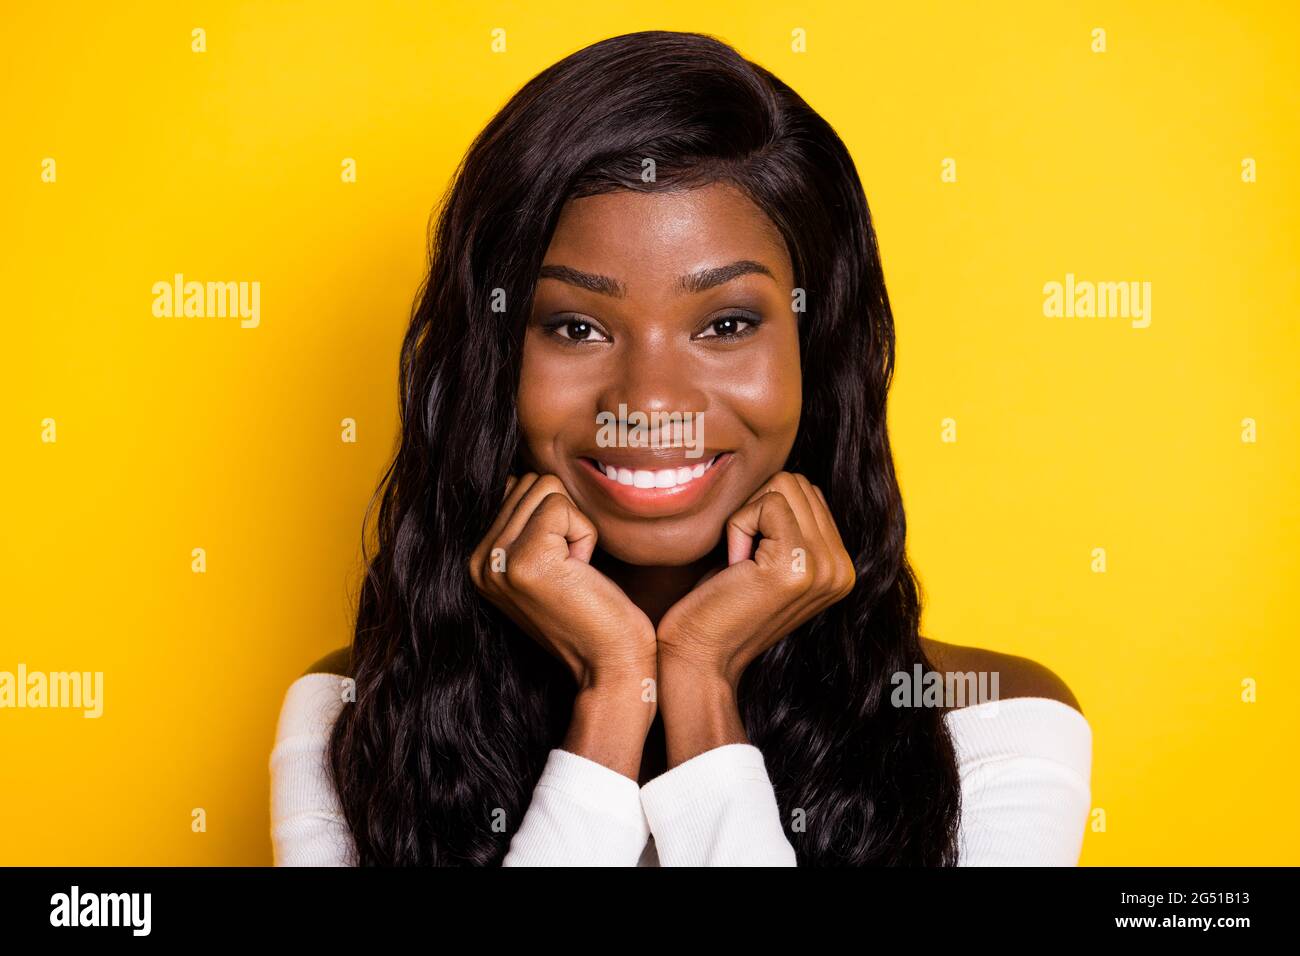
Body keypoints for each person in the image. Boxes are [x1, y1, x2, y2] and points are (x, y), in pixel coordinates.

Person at [270, 29, 1091, 866]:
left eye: (727, 324)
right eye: (576, 327)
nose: (649, 402)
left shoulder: (994, 730)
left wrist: (699, 688)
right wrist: (613, 699)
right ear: (493, 360)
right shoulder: (351, 714)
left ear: (818, 349)